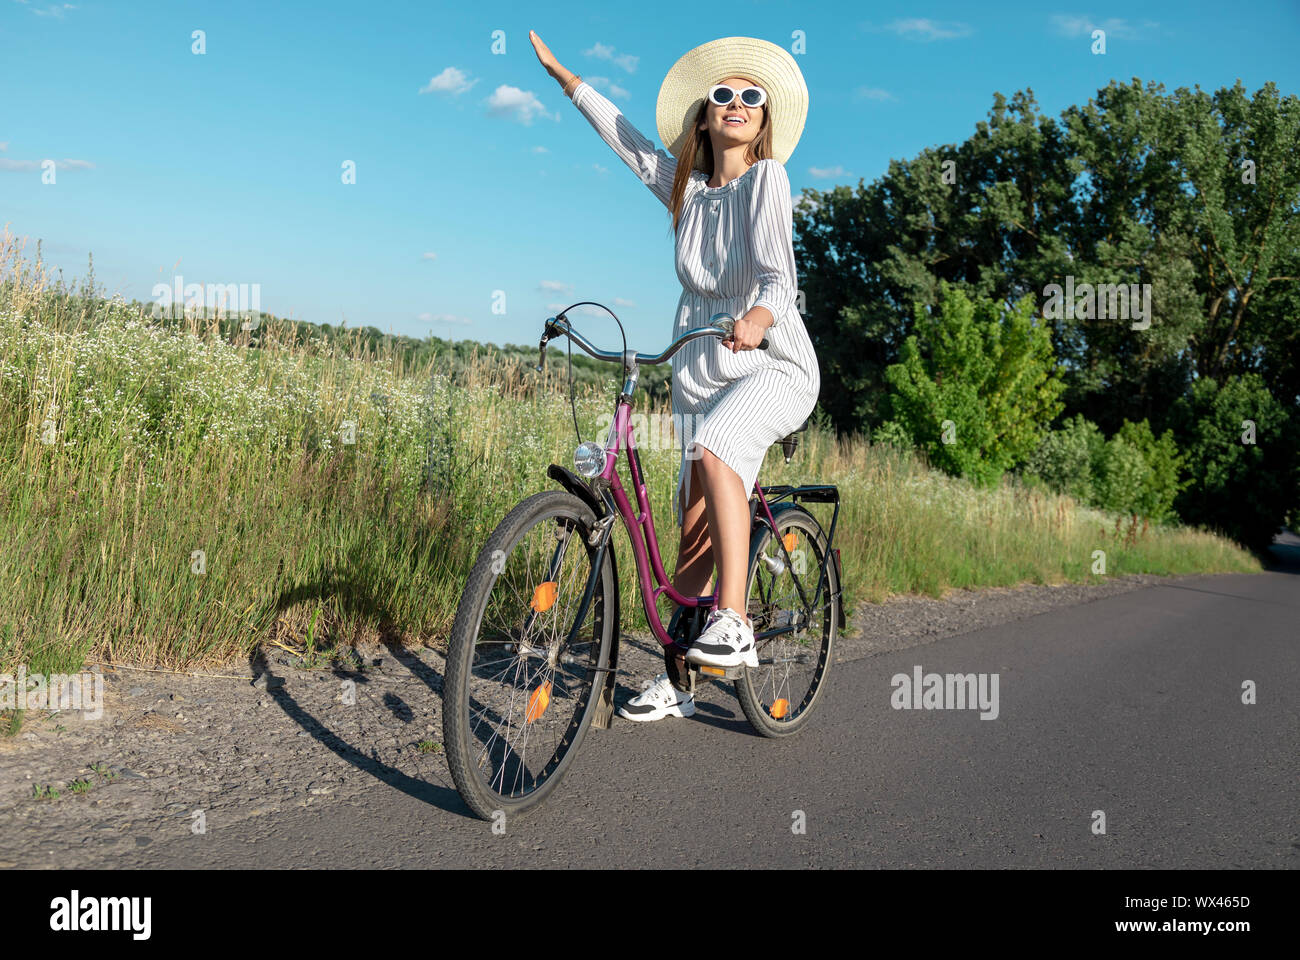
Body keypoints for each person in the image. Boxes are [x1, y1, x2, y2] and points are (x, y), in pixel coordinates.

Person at [528, 32, 820, 721]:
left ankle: (738, 620)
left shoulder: (767, 180)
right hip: (697, 368)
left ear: (764, 117)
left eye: (752, 95)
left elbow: (781, 278)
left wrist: (755, 316)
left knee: (719, 451)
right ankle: (683, 680)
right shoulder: (686, 190)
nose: (738, 103)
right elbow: (630, 144)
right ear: (705, 115)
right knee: (691, 534)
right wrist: (567, 79)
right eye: (724, 94)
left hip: (770, 360)